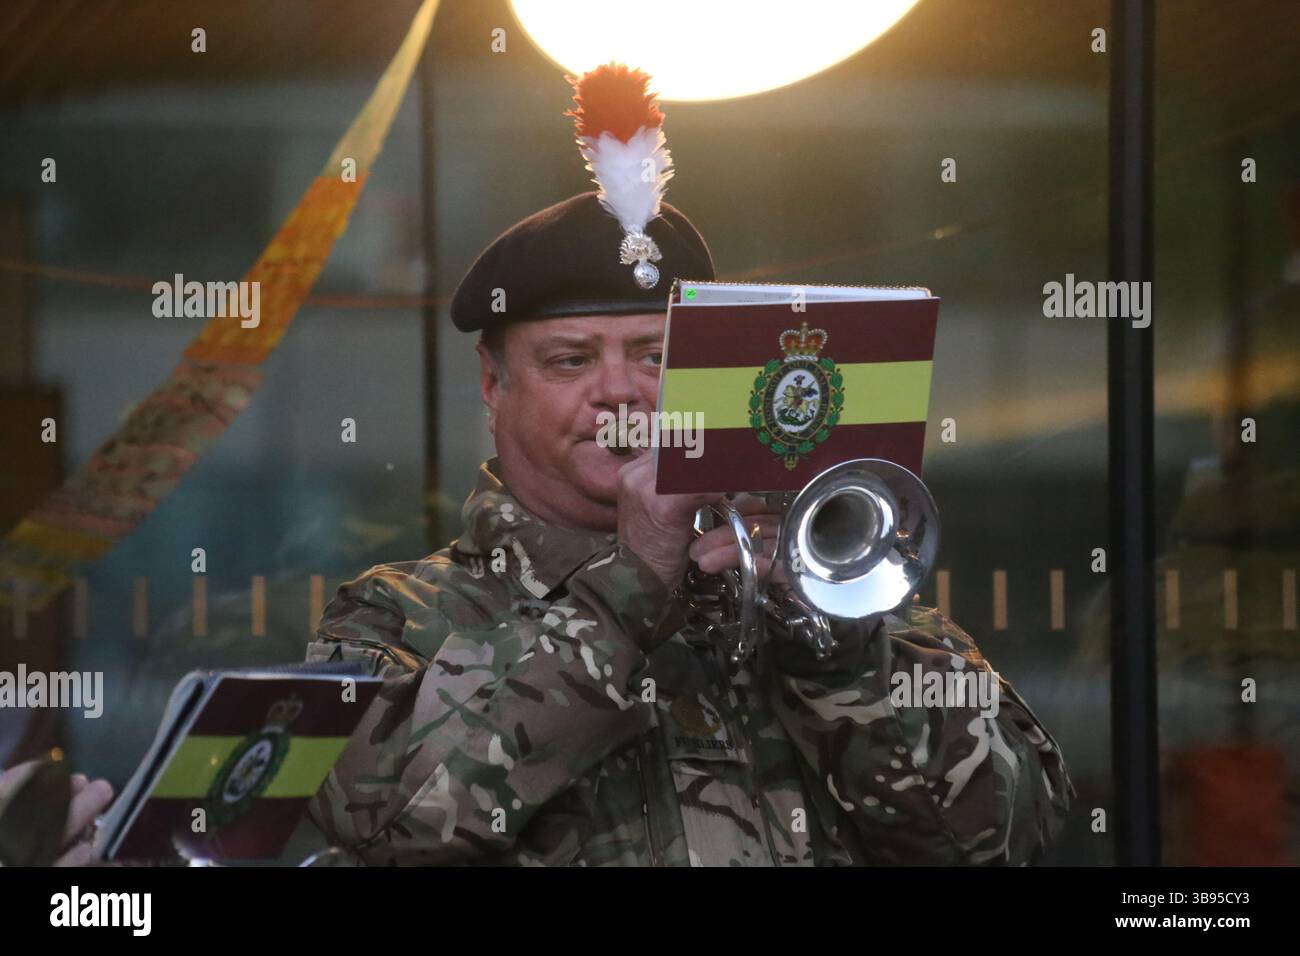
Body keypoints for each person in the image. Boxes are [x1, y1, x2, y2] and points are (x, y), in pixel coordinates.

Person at [304, 64, 1074, 866]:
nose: (620, 392)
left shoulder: (828, 596)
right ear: (494, 387)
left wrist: (834, 650)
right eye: (570, 360)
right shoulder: (396, 620)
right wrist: (630, 588)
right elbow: (391, 831)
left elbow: (1002, 840)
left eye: (656, 356)